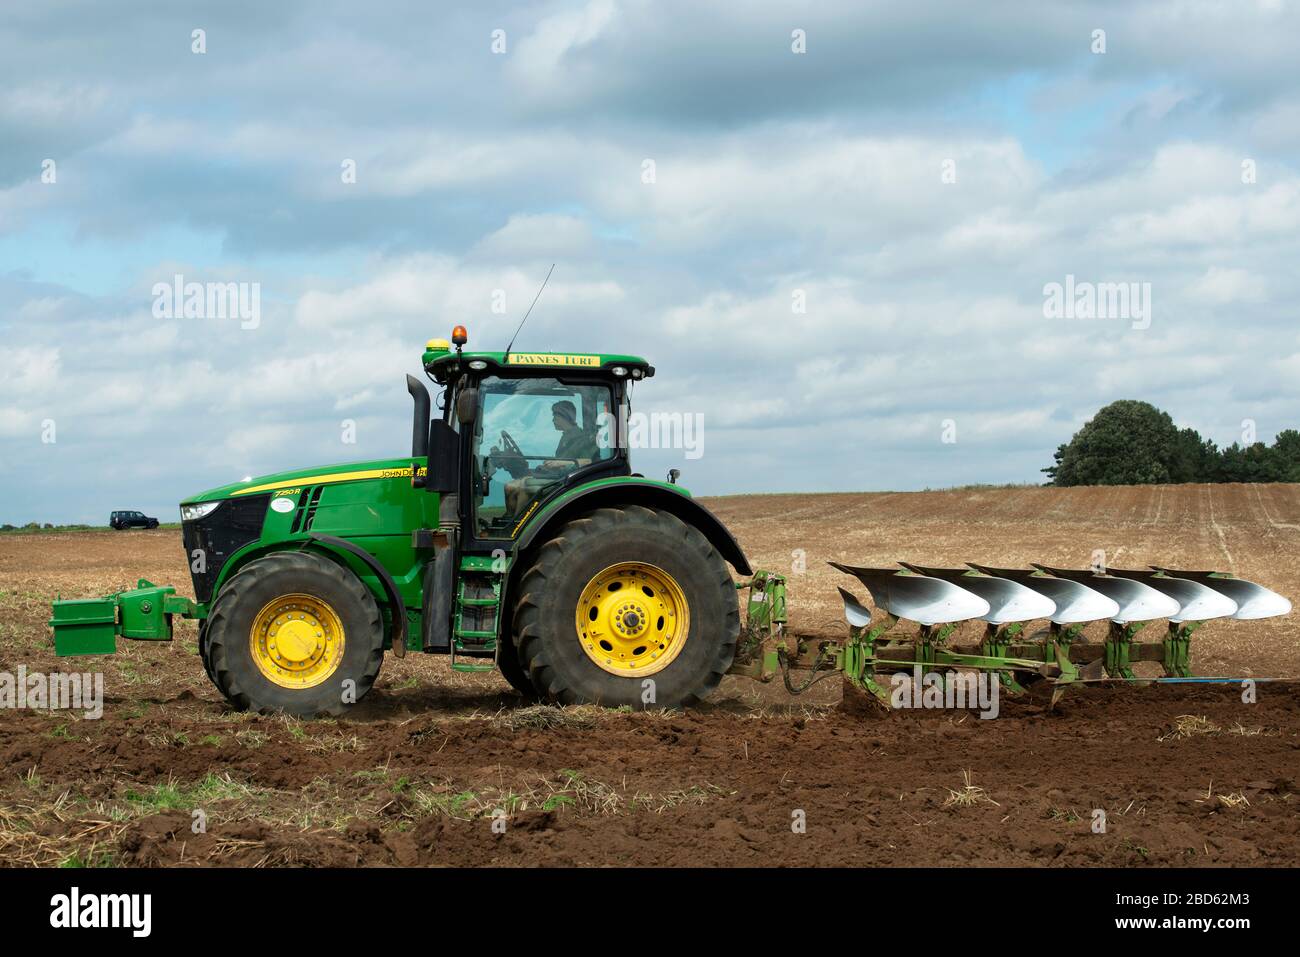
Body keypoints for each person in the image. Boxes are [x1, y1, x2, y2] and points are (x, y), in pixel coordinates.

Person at [503, 400, 598, 514]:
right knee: (509, 487)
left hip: (568, 481)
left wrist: (560, 463)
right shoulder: (566, 437)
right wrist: (553, 462)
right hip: (558, 476)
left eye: (555, 416)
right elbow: (563, 459)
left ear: (565, 416)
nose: (553, 420)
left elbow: (588, 461)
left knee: (524, 484)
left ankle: (519, 524)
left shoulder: (582, 438)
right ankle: (509, 519)